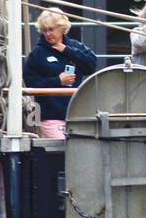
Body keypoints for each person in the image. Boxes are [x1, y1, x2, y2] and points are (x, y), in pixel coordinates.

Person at [23, 8, 98, 139]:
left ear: (62, 28)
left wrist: (67, 51)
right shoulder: (37, 53)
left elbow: (91, 66)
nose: (47, 34)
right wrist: (57, 81)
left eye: (51, 29)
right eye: (44, 30)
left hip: (76, 114)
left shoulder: (75, 47)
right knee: (66, 148)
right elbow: (31, 83)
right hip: (50, 116)